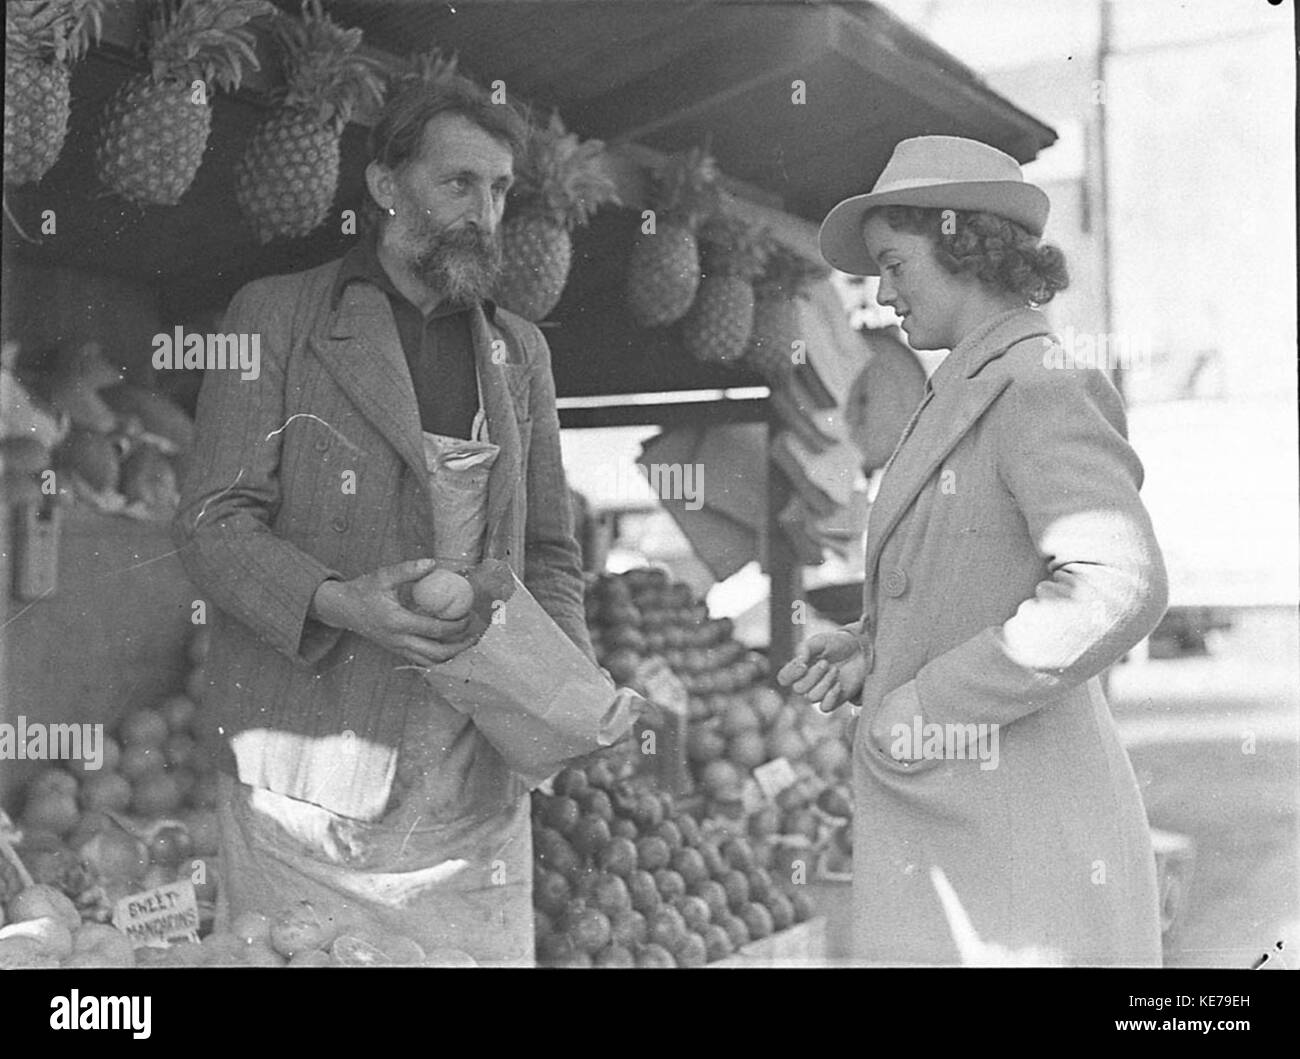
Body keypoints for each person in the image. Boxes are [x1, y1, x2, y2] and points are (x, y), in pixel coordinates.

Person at [173, 76, 594, 966]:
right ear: (385, 186)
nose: (484, 210)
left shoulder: (519, 350)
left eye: (500, 189)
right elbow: (214, 520)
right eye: (458, 183)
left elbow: (550, 551)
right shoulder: (279, 316)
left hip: (472, 789)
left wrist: (565, 691)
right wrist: (337, 600)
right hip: (309, 788)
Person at [781, 135, 1168, 966]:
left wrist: (926, 707)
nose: (882, 296)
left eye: (894, 265)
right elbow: (972, 581)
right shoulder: (966, 382)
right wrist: (874, 652)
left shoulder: (1040, 384)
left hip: (1017, 846)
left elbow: (1117, 582)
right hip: (975, 830)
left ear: (964, 246)